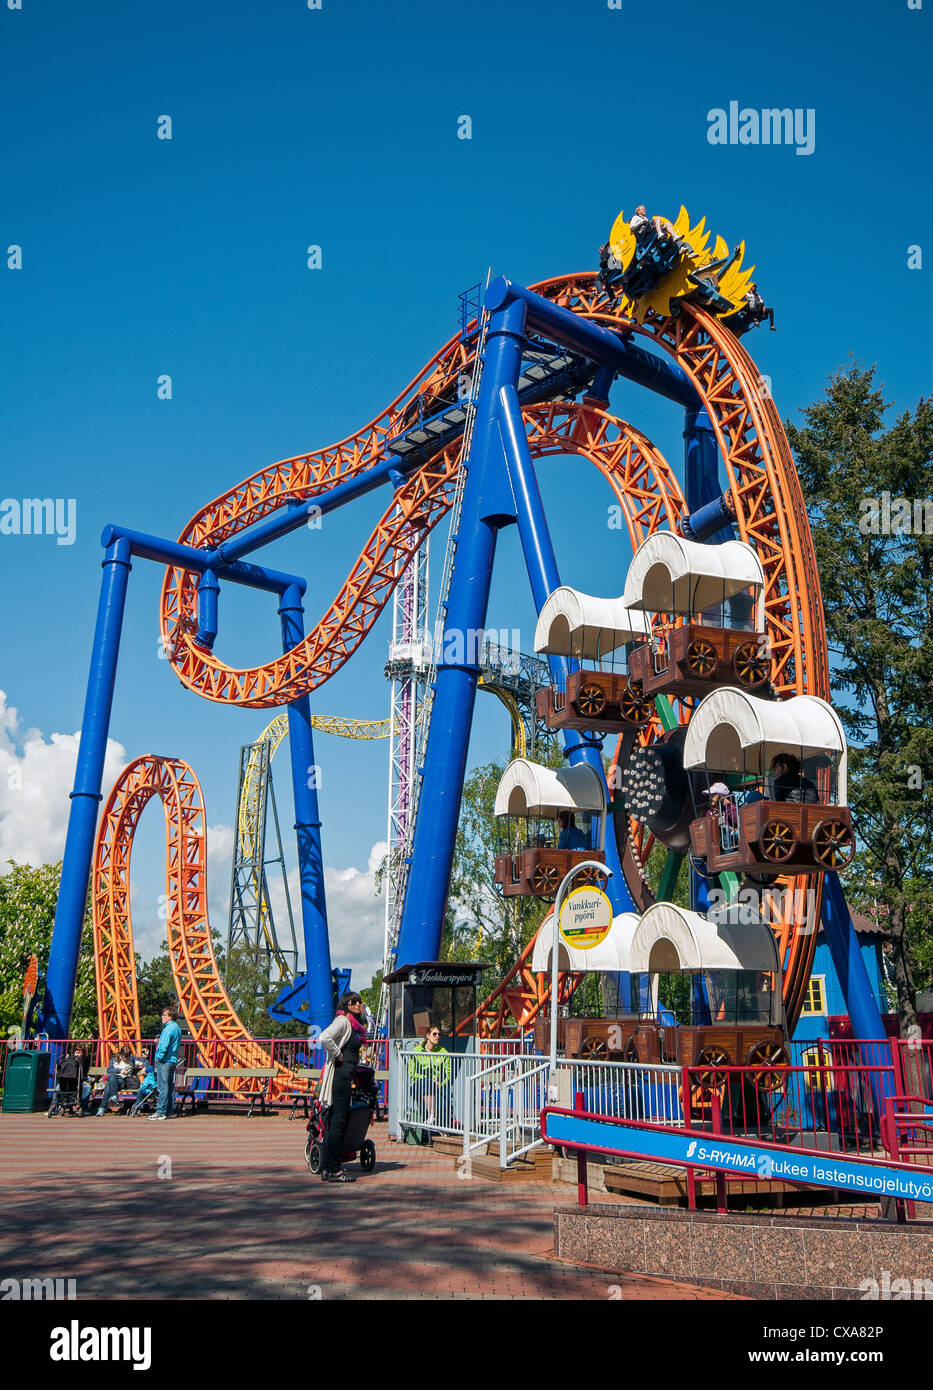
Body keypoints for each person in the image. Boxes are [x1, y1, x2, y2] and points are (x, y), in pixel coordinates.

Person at [318, 991, 367, 1182]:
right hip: (341, 1076)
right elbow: (324, 1037)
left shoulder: (355, 1026)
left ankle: (327, 1166)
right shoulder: (343, 1021)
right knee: (338, 1122)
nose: (357, 1004)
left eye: (359, 1001)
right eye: (352, 1002)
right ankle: (333, 1169)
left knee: (335, 1122)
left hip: (346, 1076)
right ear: (345, 1005)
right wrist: (338, 1054)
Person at [409, 1026, 452, 1131]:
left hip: (435, 1085)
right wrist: (427, 1079)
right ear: (427, 1036)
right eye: (434, 1034)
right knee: (427, 1082)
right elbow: (411, 1073)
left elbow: (448, 1073)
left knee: (444, 1102)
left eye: (438, 1034)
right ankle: (432, 1115)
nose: (437, 1036)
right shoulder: (417, 1050)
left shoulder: (443, 1051)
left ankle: (442, 1130)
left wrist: (440, 1083)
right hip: (418, 1084)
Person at [151, 1005, 182, 1120]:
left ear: (170, 1017)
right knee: (168, 1087)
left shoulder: (168, 1029)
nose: (162, 1017)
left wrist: (159, 1057)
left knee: (162, 1087)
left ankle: (160, 1112)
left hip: (165, 1060)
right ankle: (168, 1111)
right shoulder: (176, 1028)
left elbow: (164, 1045)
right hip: (172, 1059)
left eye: (164, 1015)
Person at [96, 1044, 145, 1115]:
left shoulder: (133, 1059)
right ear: (121, 1055)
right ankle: (111, 1099)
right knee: (111, 1080)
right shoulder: (115, 1060)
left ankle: (103, 1107)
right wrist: (120, 1071)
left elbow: (145, 1061)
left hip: (124, 1081)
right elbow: (109, 1070)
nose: (127, 1058)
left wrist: (144, 1067)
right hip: (115, 1081)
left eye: (128, 1056)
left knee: (109, 1083)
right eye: (125, 1057)